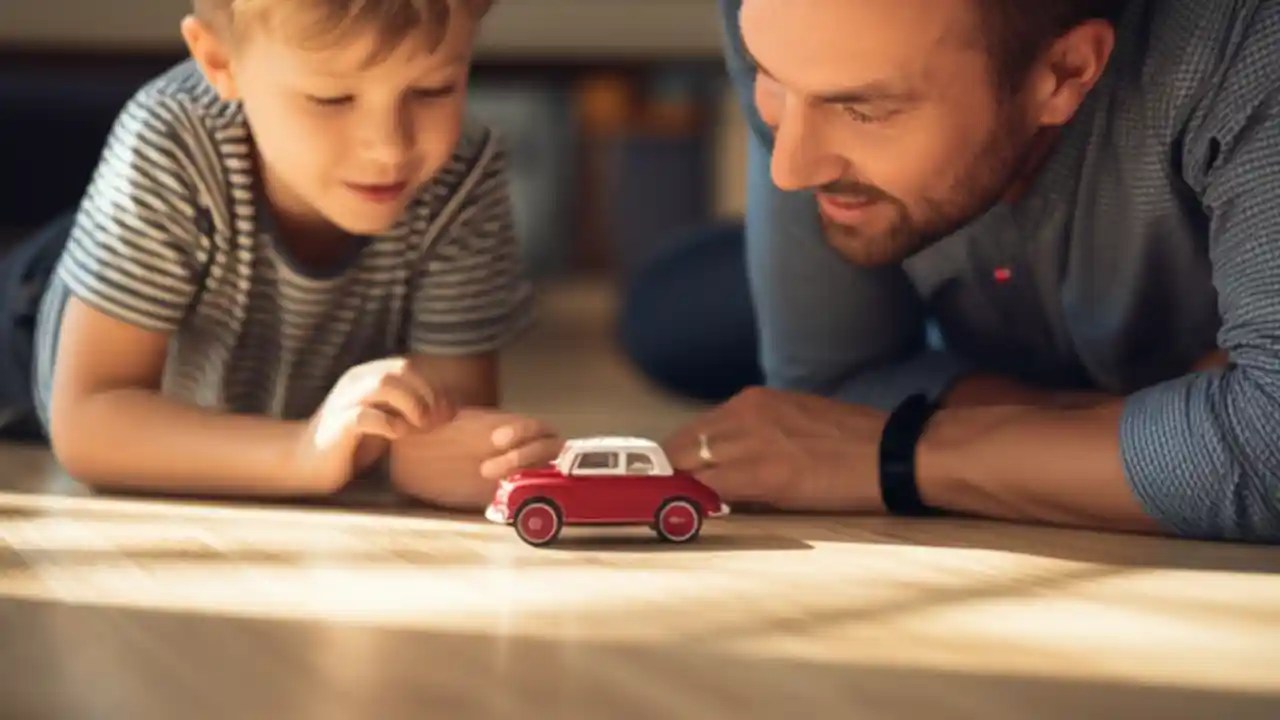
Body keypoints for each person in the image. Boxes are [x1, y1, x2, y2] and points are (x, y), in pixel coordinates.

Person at [659, 0, 1280, 542]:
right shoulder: (784, 21)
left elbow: (1269, 446)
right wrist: (1173, 426)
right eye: (770, 78)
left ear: (1064, 72)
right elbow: (831, 382)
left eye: (864, 111)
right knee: (666, 317)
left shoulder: (1246, 46)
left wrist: (902, 453)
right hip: (976, 304)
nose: (788, 170)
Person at [0, 0, 562, 507]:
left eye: (434, 89)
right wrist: (300, 452)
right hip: (45, 326)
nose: (389, 147)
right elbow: (90, 422)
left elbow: (446, 420)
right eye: (331, 97)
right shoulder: (172, 139)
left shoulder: (462, 170)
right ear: (220, 63)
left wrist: (462, 454)